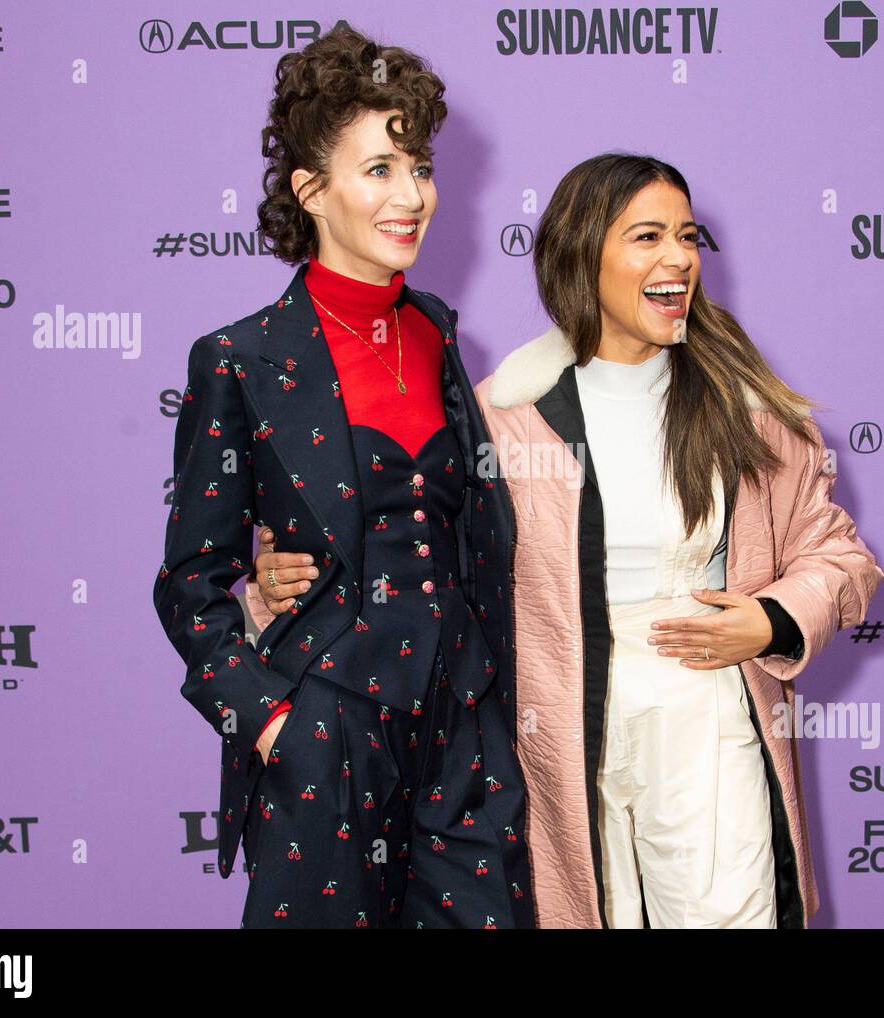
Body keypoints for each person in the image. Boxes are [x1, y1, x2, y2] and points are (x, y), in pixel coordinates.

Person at [251, 154, 884, 928]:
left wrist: (773, 619)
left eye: (687, 236)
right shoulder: (502, 415)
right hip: (557, 735)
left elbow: (840, 556)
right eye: (647, 236)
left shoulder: (748, 410)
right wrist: (285, 578)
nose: (677, 258)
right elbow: (408, 549)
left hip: (709, 717)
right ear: (582, 256)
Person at [153, 24, 531, 929]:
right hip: (327, 729)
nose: (412, 197)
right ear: (312, 191)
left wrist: (494, 703)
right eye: (380, 171)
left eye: (420, 167)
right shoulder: (239, 359)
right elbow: (190, 583)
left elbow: (470, 533)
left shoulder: (436, 329)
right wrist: (271, 720)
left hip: (462, 727)